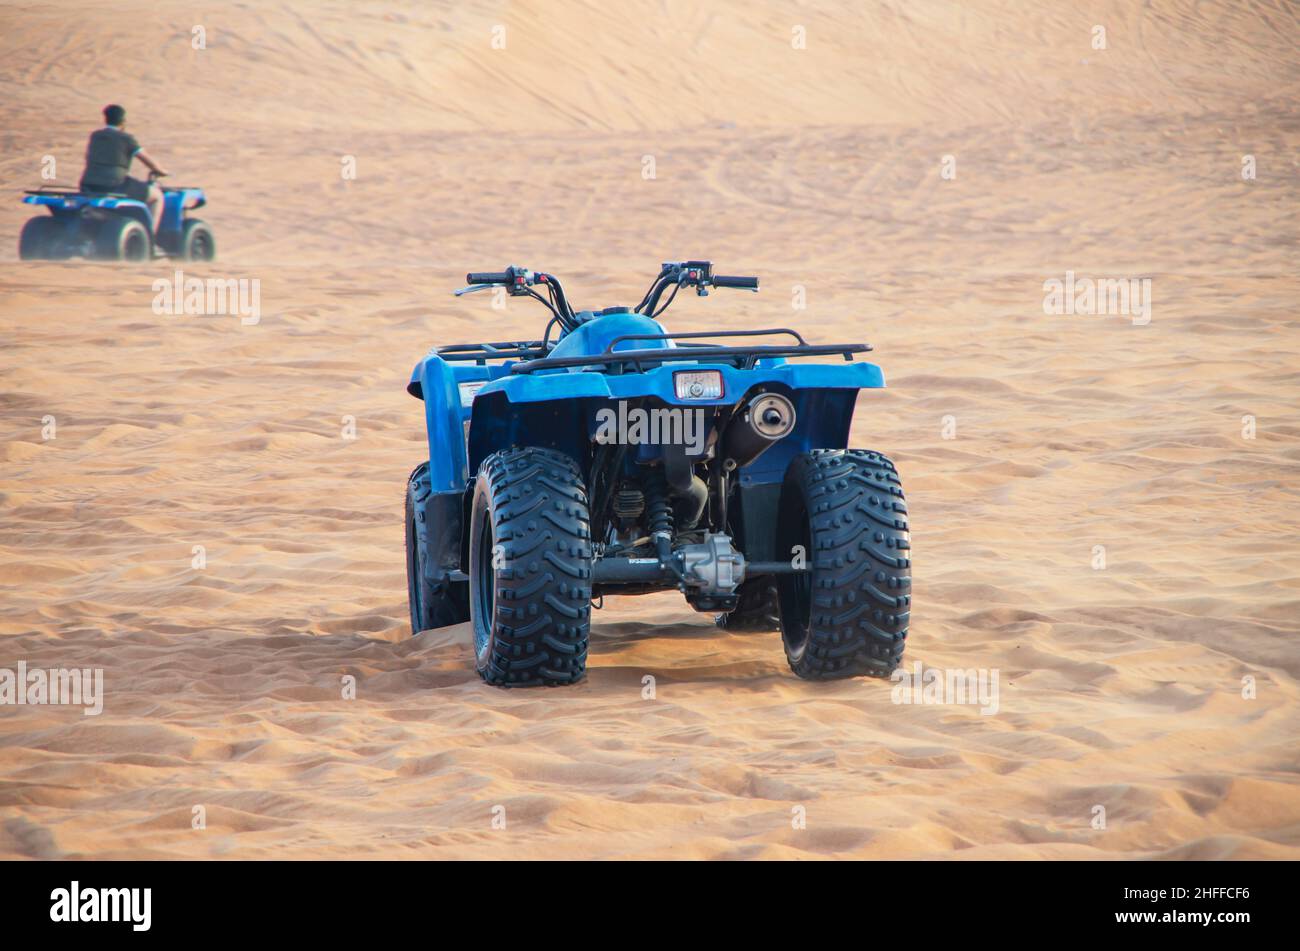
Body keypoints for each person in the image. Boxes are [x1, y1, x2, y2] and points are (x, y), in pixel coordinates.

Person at [79, 104, 168, 236]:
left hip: (88, 184)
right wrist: (162, 171)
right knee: (157, 197)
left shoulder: (95, 136)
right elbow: (146, 160)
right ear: (123, 122)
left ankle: (106, 217)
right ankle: (149, 239)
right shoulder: (126, 139)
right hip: (115, 185)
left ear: (106, 119)